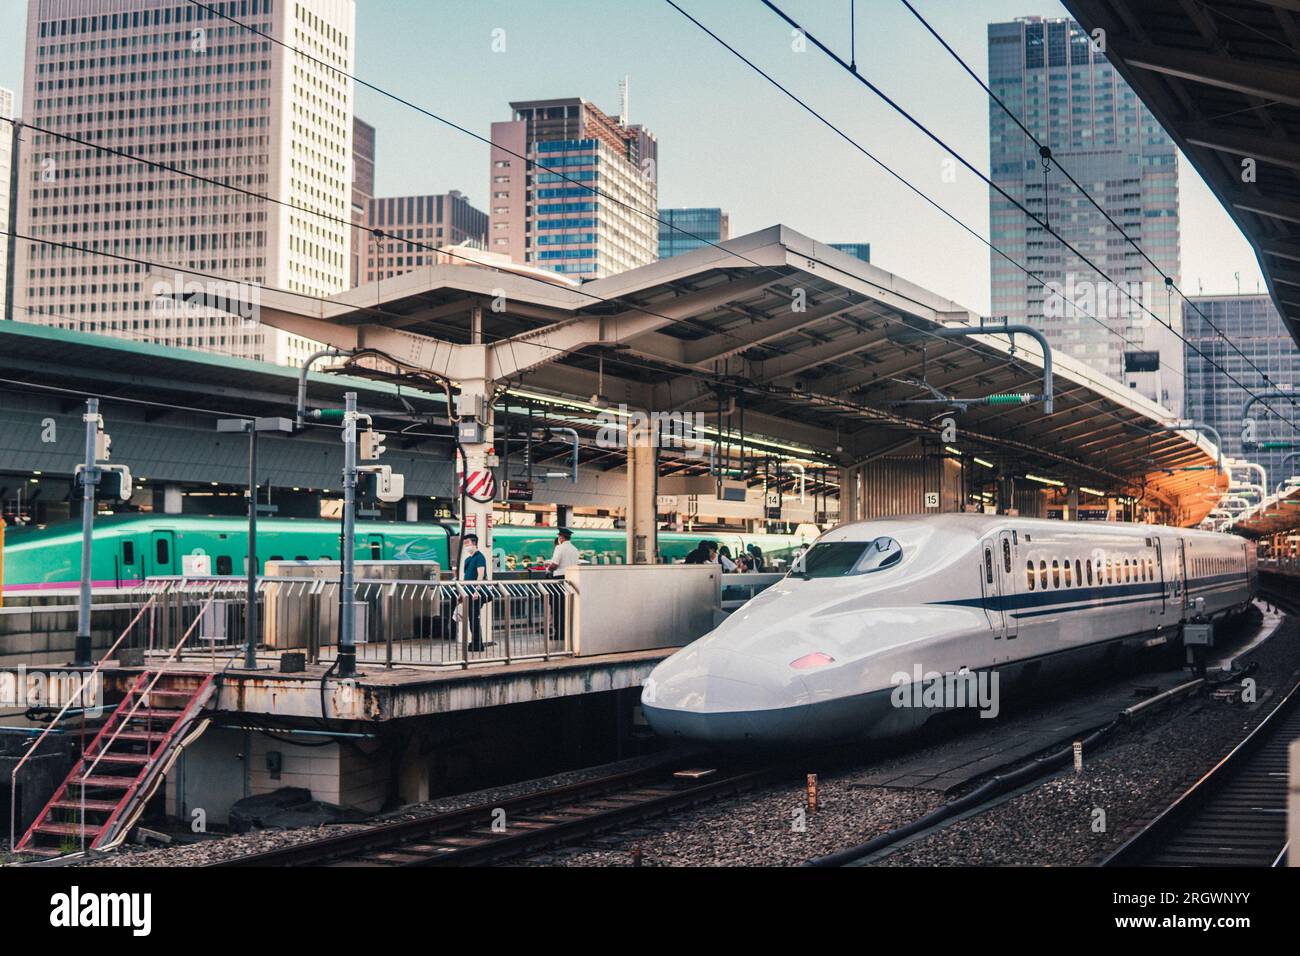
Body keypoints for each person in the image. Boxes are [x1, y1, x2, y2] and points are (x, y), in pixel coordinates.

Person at [545, 528, 580, 642]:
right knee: (568, 607)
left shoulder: (560, 548)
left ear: (561, 537)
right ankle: (569, 632)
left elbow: (555, 564)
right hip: (571, 580)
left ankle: (559, 634)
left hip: (559, 580)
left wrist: (548, 570)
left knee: (557, 608)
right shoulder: (575, 549)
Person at [461, 533, 487, 652]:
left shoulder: (480, 557)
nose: (466, 545)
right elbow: (465, 577)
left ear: (474, 543)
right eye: (465, 543)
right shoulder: (468, 559)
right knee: (472, 618)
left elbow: (480, 575)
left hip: (476, 593)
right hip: (468, 592)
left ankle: (477, 644)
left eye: (468, 543)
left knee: (474, 618)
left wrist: (476, 590)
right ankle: (475, 643)